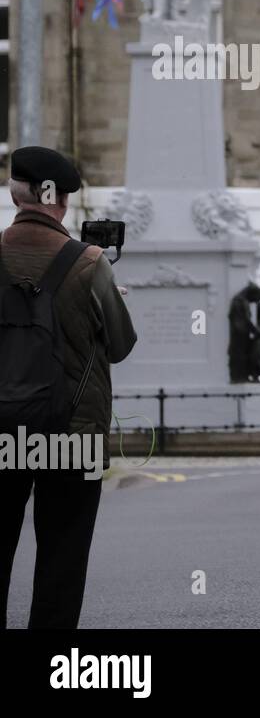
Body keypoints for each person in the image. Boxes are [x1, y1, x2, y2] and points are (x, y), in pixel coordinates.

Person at [0, 146, 136, 628]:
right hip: (71, 434)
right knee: (62, 555)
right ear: (54, 199)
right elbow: (120, 345)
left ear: (19, 196)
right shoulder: (89, 262)